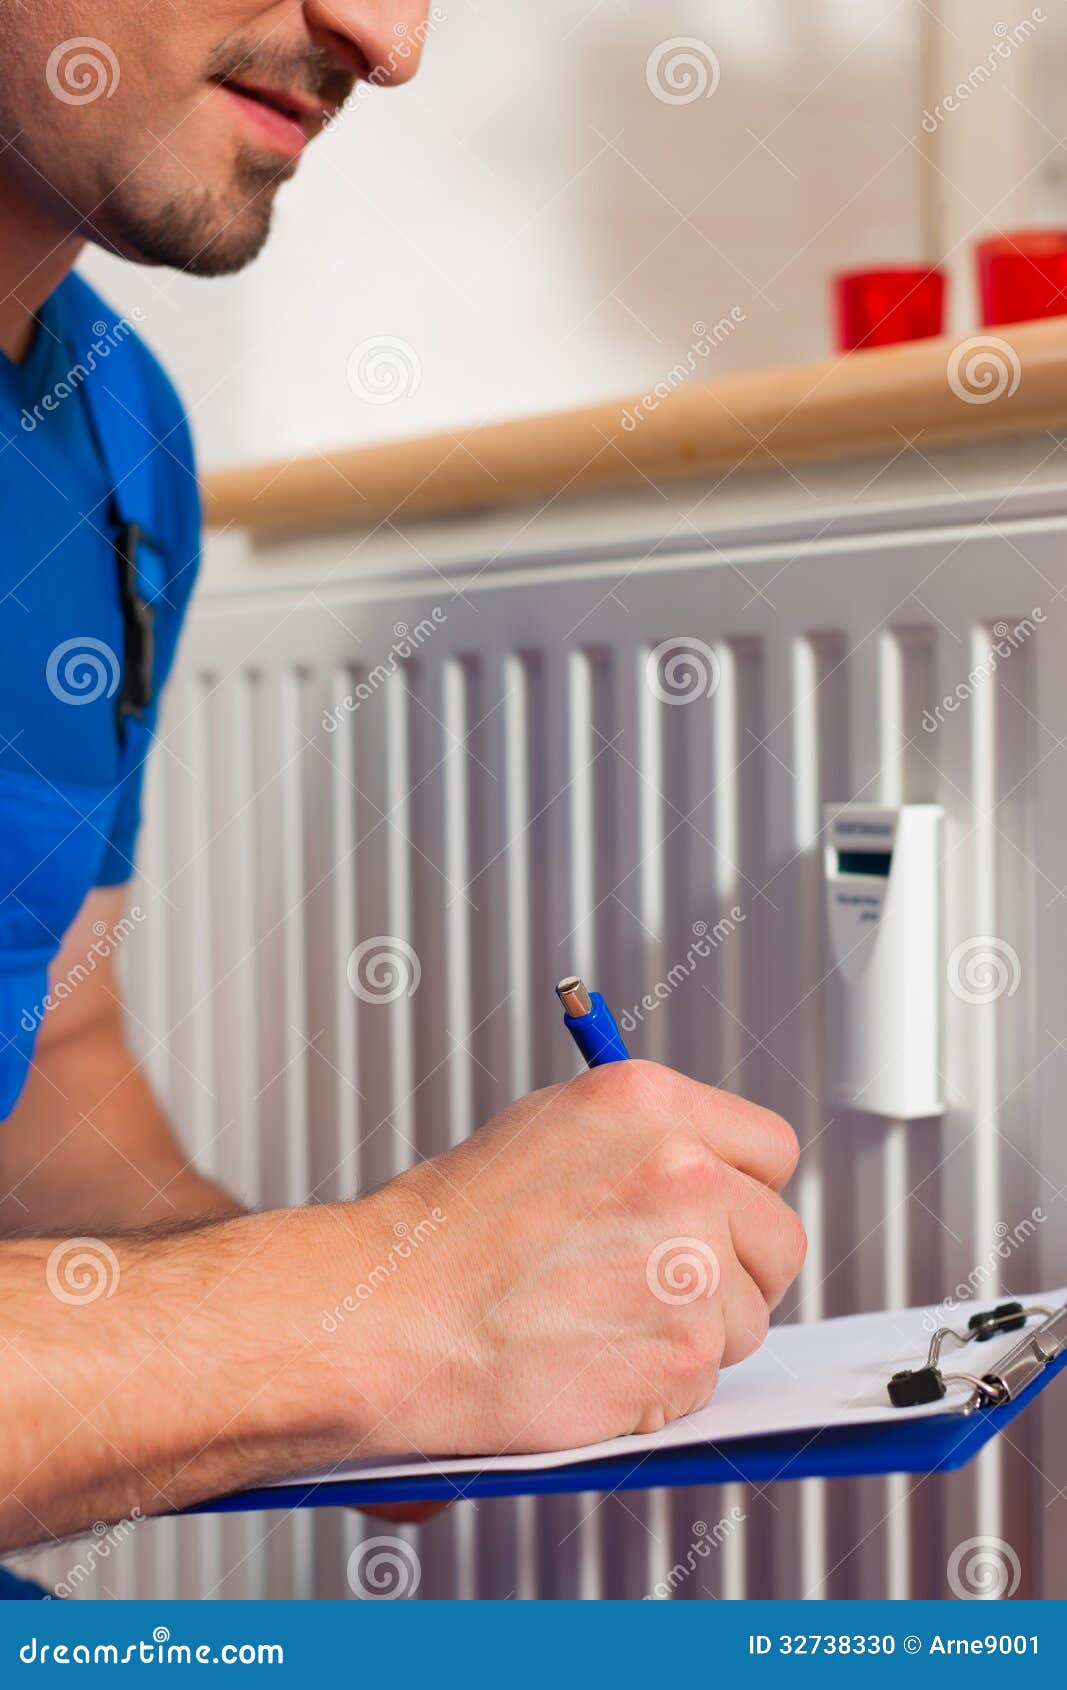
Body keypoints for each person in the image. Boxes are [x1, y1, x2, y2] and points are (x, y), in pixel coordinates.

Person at [0, 1, 806, 1588]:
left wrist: (439, 1329)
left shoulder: (119, 432)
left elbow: (50, 1064)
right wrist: (366, 1319)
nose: (386, 38)